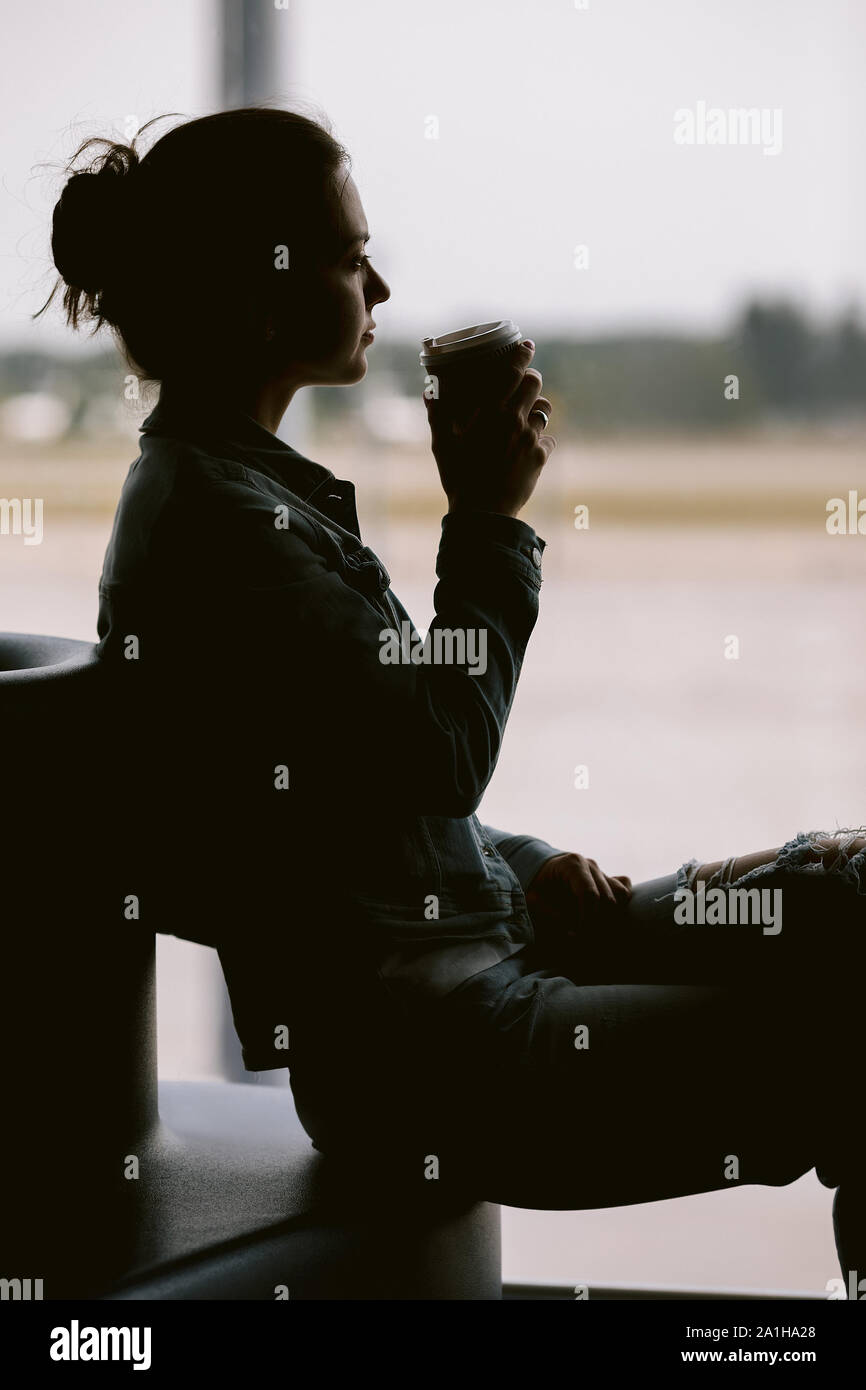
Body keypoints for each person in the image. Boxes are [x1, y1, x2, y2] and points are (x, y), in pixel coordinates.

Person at [39, 104, 866, 1293]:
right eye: (344, 253)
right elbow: (433, 750)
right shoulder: (217, 528)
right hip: (429, 1063)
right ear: (257, 288)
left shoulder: (225, 493)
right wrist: (484, 521)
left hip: (478, 951)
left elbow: (346, 788)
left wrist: (520, 861)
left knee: (843, 890)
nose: (378, 279)